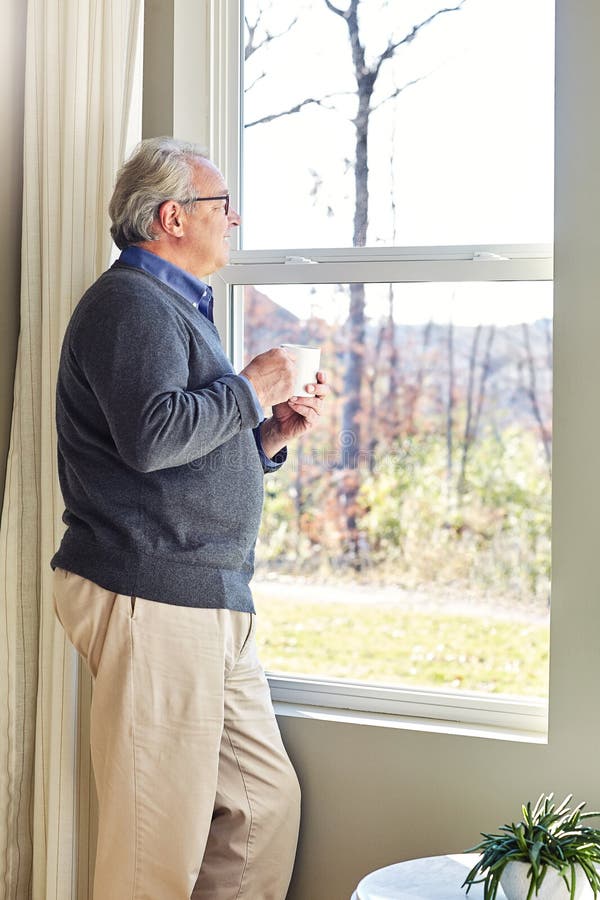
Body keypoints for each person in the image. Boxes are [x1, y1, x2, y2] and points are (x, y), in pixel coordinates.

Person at [51, 136, 329, 900]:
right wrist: (253, 385)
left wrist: (264, 436)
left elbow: (180, 440)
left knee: (262, 808)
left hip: (207, 599)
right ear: (172, 217)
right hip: (154, 593)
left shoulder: (173, 308)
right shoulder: (131, 304)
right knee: (154, 848)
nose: (234, 220)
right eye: (222, 206)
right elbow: (151, 438)